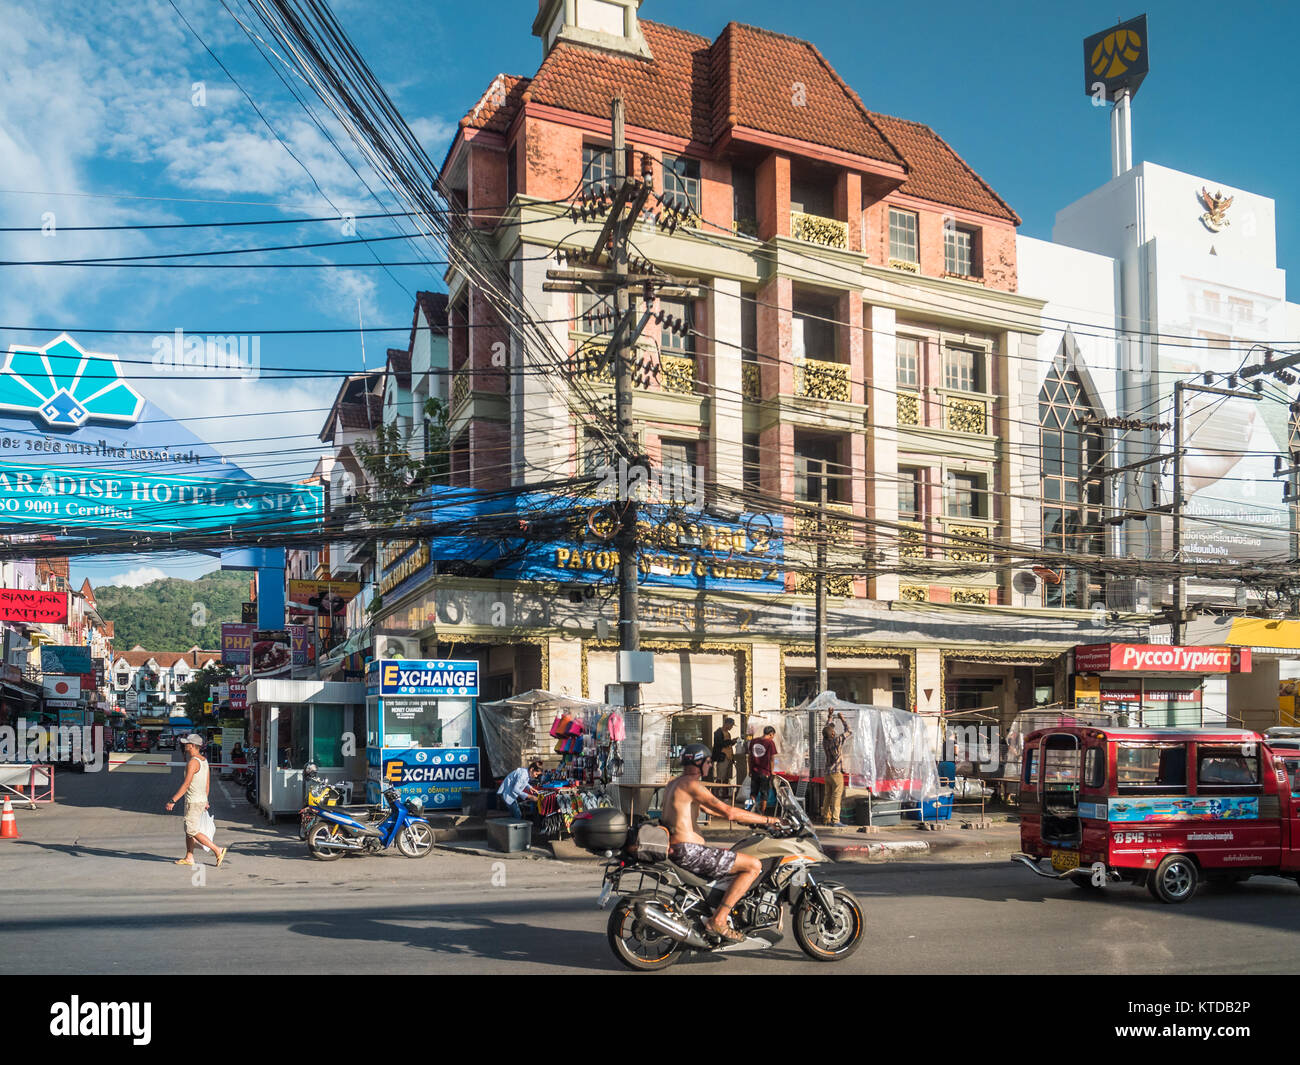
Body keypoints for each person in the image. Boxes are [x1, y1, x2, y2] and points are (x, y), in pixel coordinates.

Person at [661, 744, 783, 943]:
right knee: (753, 865)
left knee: (737, 858)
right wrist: (770, 820)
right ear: (698, 762)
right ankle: (719, 919)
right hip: (690, 851)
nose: (710, 766)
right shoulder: (691, 785)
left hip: (681, 849)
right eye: (708, 762)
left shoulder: (674, 783)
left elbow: (715, 811)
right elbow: (729, 812)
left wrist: (750, 820)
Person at [165, 733, 227, 867]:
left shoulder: (193, 762)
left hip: (193, 801)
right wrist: (206, 799)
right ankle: (189, 857)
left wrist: (173, 800)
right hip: (200, 800)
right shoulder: (204, 761)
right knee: (189, 829)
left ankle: (217, 850)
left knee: (191, 830)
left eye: (186, 743)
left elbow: (186, 784)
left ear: (192, 746)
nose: (184, 745)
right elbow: (207, 783)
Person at [821, 710, 852, 826]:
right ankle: (835, 820)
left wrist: (830, 716)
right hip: (836, 773)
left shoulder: (825, 742)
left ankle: (825, 817)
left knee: (827, 795)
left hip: (827, 773)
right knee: (836, 796)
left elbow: (826, 729)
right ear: (833, 734)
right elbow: (849, 731)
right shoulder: (837, 740)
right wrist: (842, 719)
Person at [747, 726, 778, 815]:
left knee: (753, 793)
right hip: (765, 772)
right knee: (764, 795)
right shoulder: (770, 743)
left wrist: (749, 769)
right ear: (771, 733)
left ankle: (750, 811)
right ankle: (762, 814)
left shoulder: (754, 741)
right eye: (773, 735)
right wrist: (772, 771)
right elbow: (772, 759)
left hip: (754, 771)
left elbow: (749, 757)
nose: (773, 737)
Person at [710, 717, 737, 784]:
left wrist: (733, 742)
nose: (731, 727)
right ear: (727, 724)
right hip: (722, 757)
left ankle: (726, 793)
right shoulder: (718, 732)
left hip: (729, 757)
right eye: (731, 725)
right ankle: (717, 792)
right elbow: (719, 744)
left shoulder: (728, 733)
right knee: (720, 777)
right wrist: (730, 741)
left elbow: (728, 745)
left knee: (727, 777)